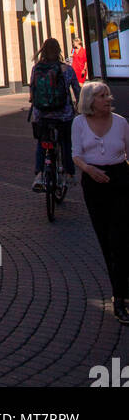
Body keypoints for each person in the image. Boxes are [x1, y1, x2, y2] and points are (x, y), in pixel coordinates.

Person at [72, 81, 129, 323]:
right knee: (106, 239)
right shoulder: (79, 123)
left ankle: (120, 298)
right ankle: (120, 292)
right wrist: (89, 170)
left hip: (120, 180)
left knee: (120, 239)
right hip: (94, 184)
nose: (108, 99)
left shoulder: (121, 122)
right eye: (101, 96)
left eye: (108, 94)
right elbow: (76, 154)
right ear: (90, 101)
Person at [29, 38, 80, 191]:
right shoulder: (66, 69)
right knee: (66, 143)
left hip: (41, 115)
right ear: (58, 51)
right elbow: (77, 90)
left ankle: (39, 175)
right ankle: (70, 174)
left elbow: (32, 92)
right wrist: (80, 105)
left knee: (41, 143)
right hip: (63, 115)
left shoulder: (36, 68)